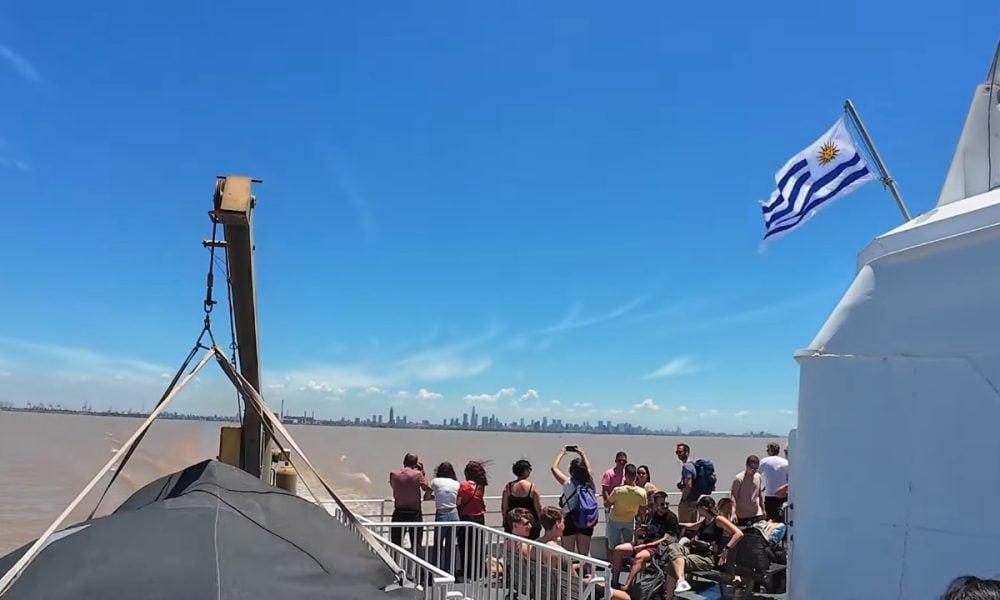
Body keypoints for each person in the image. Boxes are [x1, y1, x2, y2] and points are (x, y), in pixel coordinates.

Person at [530, 507, 630, 600]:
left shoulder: (535, 545)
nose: (564, 525)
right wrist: (590, 581)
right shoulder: (559, 552)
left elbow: (558, 572)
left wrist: (581, 565)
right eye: (563, 522)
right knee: (625, 597)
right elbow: (573, 582)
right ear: (557, 523)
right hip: (573, 594)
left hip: (545, 591)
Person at [665, 495, 744, 594]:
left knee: (673, 564)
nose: (697, 510)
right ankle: (681, 581)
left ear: (703, 508)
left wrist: (726, 549)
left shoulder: (718, 519)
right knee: (673, 547)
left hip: (706, 557)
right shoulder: (704, 520)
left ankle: (675, 589)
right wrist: (676, 523)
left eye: (698, 508)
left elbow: (739, 533)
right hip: (695, 550)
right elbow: (692, 526)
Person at [609, 491, 680, 590]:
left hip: (657, 547)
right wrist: (637, 533)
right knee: (618, 550)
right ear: (655, 504)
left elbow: (665, 539)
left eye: (666, 504)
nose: (665, 506)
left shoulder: (671, 518)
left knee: (639, 557)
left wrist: (644, 546)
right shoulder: (650, 515)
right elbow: (641, 531)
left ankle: (627, 586)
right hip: (643, 542)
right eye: (662, 504)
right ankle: (614, 582)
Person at [551, 446, 597, 556]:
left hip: (570, 519)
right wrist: (582, 453)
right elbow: (588, 468)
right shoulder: (589, 483)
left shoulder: (568, 483)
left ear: (571, 471)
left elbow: (554, 468)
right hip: (586, 518)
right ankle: (587, 573)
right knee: (585, 555)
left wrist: (562, 453)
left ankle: (570, 573)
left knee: (568, 554)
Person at [424, 462, 460, 572]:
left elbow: (427, 496)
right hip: (455, 515)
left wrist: (437, 497)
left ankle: (435, 571)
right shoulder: (456, 483)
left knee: (438, 545)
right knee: (450, 546)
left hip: (441, 515)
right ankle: (449, 571)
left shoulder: (435, 482)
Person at [455, 460, 489, 578]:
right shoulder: (481, 486)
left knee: (465, 545)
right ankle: (478, 570)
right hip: (479, 517)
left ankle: (467, 570)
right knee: (477, 545)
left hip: (466, 517)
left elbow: (458, 502)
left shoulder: (464, 486)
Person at [388, 453, 425, 550]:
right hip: (414, 513)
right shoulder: (418, 474)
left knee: (396, 545)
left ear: (404, 462)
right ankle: (416, 564)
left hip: (399, 512)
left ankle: (394, 563)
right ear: (416, 464)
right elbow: (426, 487)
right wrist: (422, 472)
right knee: (416, 545)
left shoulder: (393, 473)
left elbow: (393, 486)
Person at [605, 463, 646, 550]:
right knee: (628, 546)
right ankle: (625, 562)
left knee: (613, 546)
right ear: (635, 476)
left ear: (625, 475)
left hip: (615, 520)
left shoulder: (618, 490)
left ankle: (614, 562)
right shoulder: (642, 492)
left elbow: (607, 504)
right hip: (630, 521)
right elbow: (642, 510)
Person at [501, 459, 542, 540]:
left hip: (513, 521)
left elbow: (504, 506)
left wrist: (505, 520)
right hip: (529, 521)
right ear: (525, 471)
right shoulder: (532, 487)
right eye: (529, 469)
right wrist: (540, 521)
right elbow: (538, 507)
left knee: (513, 546)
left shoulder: (508, 487)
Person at [731, 455, 766, 526]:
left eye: (756, 468)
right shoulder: (739, 478)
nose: (754, 470)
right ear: (747, 466)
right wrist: (733, 512)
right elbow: (734, 496)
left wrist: (763, 509)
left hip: (756, 514)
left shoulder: (758, 476)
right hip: (742, 515)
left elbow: (760, 494)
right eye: (752, 468)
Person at [759, 442, 789, 521]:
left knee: (770, 521)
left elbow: (756, 475)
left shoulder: (764, 461)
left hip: (770, 496)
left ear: (770, 450)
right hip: (783, 495)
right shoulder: (786, 462)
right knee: (783, 520)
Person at [675, 443, 698, 522]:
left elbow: (689, 485)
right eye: (677, 452)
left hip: (688, 502)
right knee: (692, 525)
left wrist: (683, 500)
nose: (678, 454)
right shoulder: (692, 465)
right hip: (694, 500)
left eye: (680, 452)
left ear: (687, 452)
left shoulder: (687, 466)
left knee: (684, 524)